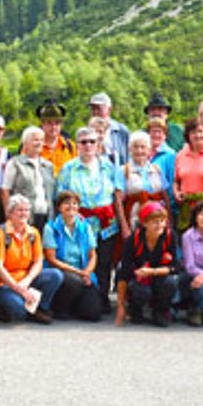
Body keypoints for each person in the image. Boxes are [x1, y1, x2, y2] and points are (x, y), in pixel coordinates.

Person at [55, 126, 126, 313]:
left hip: (105, 225)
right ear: (77, 145)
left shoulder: (109, 167)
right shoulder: (68, 168)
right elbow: (60, 197)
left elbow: (118, 195)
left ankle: (102, 298)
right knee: (81, 262)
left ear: (98, 144)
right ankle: (79, 300)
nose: (88, 145)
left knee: (104, 263)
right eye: (83, 142)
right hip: (79, 225)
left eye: (92, 141)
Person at [0, 196, 63, 324]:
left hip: (25, 280)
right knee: (19, 312)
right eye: (19, 210)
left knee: (55, 275)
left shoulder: (33, 233)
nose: (24, 214)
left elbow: (38, 262)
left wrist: (27, 280)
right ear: (10, 213)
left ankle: (40, 308)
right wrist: (19, 288)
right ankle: (7, 306)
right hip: (5, 283)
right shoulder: (0, 233)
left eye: (26, 210)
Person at [114, 203, 181, 327]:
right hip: (139, 281)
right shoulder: (133, 240)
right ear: (145, 224)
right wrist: (120, 306)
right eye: (155, 221)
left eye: (162, 221)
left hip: (159, 278)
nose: (160, 225)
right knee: (139, 289)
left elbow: (175, 267)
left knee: (171, 282)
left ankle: (160, 311)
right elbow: (123, 274)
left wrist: (152, 272)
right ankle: (135, 309)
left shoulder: (170, 236)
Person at [42, 192, 102, 321]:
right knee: (74, 281)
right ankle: (59, 307)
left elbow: (93, 255)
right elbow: (51, 259)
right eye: (66, 203)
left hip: (82, 273)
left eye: (74, 203)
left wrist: (87, 272)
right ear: (59, 207)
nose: (71, 206)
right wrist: (77, 272)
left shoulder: (85, 227)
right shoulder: (51, 228)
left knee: (93, 314)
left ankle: (74, 305)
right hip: (63, 273)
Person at [0, 126, 56, 232]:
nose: (39, 143)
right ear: (25, 143)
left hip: (46, 217)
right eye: (35, 140)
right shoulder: (15, 163)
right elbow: (5, 190)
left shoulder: (48, 166)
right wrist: (9, 214)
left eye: (41, 140)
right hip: (24, 217)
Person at [122, 130, 170, 225]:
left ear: (148, 150)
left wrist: (169, 219)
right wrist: (124, 226)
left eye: (143, 147)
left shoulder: (157, 170)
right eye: (135, 147)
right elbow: (118, 202)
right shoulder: (123, 170)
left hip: (158, 218)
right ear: (130, 150)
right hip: (134, 217)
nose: (139, 151)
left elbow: (165, 196)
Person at [90, 93, 130, 167]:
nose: (95, 112)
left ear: (109, 109)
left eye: (99, 108)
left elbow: (128, 158)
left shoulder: (121, 131)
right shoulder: (87, 132)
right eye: (93, 108)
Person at [37, 99, 76, 175]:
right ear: (42, 124)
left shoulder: (70, 146)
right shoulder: (33, 146)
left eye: (57, 123)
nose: (53, 127)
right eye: (49, 123)